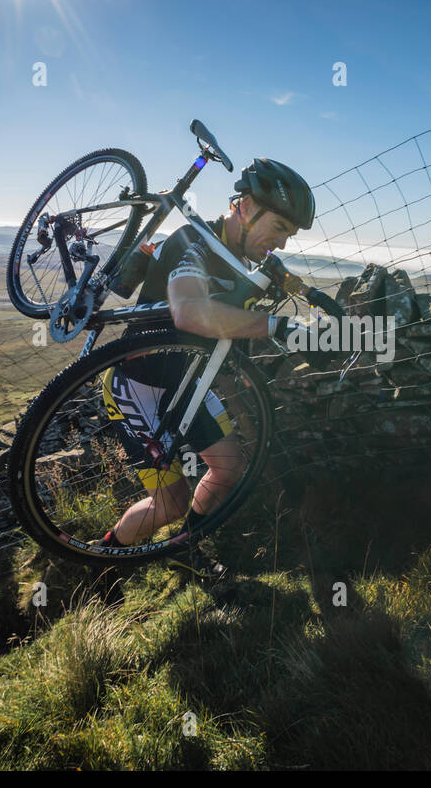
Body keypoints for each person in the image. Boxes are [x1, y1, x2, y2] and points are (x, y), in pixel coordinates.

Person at [98, 158, 316, 563]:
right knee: (169, 503)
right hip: (139, 384)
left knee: (228, 468)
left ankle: (184, 549)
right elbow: (190, 312)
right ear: (246, 207)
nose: (283, 243)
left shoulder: (243, 257)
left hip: (186, 384)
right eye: (280, 228)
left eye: (291, 234)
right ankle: (104, 559)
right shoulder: (192, 243)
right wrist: (278, 327)